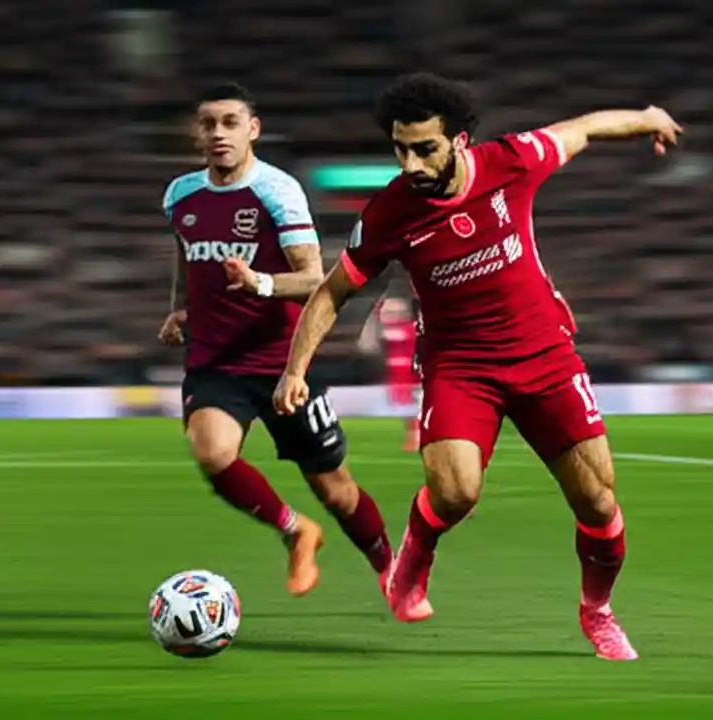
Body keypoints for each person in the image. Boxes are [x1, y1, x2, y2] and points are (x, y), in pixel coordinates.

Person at [273, 72, 682, 659]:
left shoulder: (513, 161)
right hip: (460, 364)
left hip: (544, 353)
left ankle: (598, 612)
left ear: (460, 141)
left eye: (425, 148)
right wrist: (295, 371)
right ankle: (414, 559)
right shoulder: (391, 211)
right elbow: (333, 291)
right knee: (456, 491)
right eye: (400, 148)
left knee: (598, 501)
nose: (410, 163)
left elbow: (583, 129)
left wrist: (647, 116)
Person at [159, 82, 394, 598]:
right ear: (196, 134)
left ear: (253, 130)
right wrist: (181, 307)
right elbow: (187, 256)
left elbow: (314, 277)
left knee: (335, 490)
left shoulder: (276, 190)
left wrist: (259, 283)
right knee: (212, 453)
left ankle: (391, 568)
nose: (219, 133)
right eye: (208, 124)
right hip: (216, 361)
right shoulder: (180, 194)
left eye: (230, 122)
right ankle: (295, 531)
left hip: (285, 363)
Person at [360, 296, 422, 451]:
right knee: (407, 409)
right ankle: (414, 436)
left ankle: (417, 436)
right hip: (397, 374)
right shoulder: (393, 329)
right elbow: (367, 344)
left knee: (416, 407)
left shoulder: (408, 329)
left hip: (411, 374)